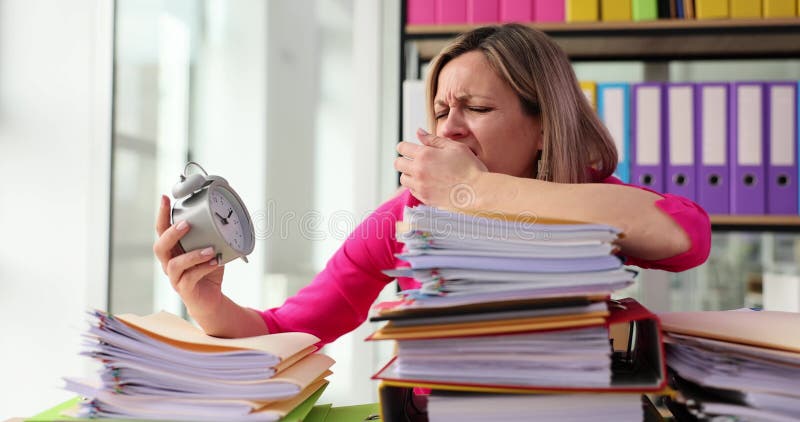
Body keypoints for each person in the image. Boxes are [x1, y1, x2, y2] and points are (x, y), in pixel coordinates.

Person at [153, 24, 710, 345]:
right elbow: (288, 329)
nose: (450, 128)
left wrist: (473, 190)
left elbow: (688, 238)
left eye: (477, 108)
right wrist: (206, 302)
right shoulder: (406, 216)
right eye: (442, 110)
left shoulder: (588, 196)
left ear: (543, 124)